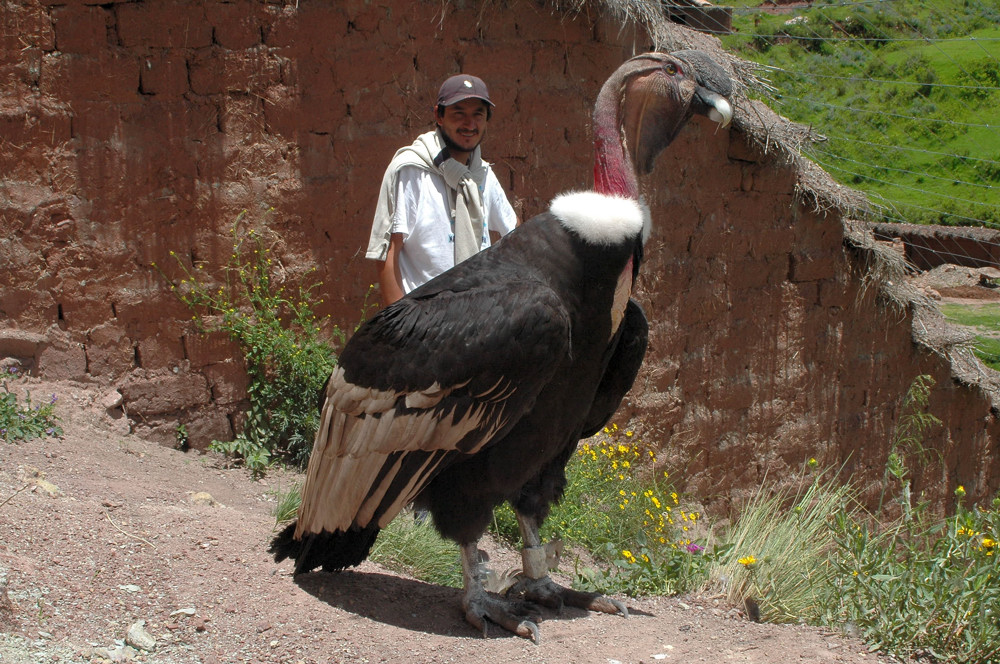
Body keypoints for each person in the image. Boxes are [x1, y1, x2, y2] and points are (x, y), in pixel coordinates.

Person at [366, 74, 518, 306]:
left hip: (477, 315)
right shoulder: (411, 171)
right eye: (459, 113)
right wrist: (398, 320)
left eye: (478, 114)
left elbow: (514, 233)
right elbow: (387, 252)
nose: (470, 124)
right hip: (426, 318)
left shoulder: (482, 174)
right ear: (439, 115)